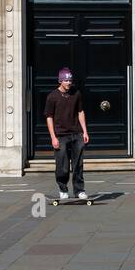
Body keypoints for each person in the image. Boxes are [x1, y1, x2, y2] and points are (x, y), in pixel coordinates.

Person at [44, 67, 89, 201]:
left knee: (78, 164)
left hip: (76, 134)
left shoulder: (76, 94)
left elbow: (80, 112)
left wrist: (85, 131)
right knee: (62, 165)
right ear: (60, 81)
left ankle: (79, 190)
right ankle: (63, 189)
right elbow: (49, 117)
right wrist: (53, 137)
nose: (69, 83)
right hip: (60, 135)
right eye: (66, 80)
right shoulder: (52, 97)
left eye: (70, 80)